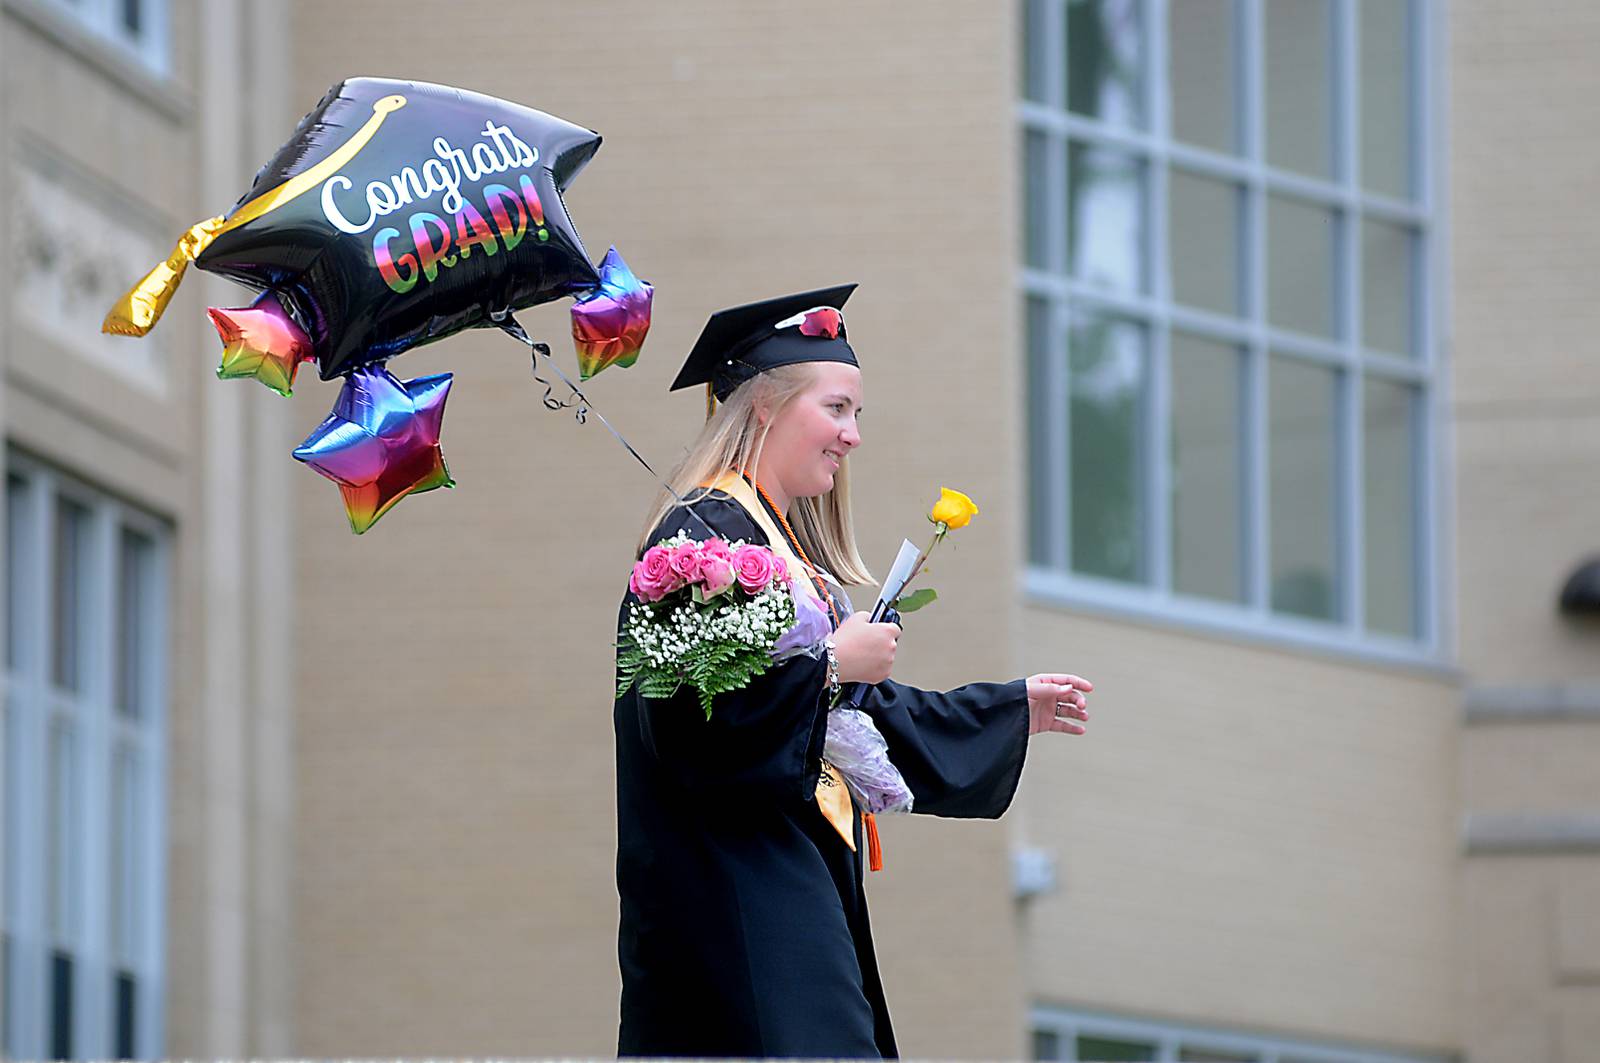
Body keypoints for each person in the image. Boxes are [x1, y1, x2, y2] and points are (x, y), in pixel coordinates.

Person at [613, 284, 1093, 1058]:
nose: (853, 436)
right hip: (731, 889)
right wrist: (833, 661)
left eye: (856, 414)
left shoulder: (772, 545)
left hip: (788, 874)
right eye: (837, 409)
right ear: (764, 408)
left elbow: (841, 723)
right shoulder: (699, 540)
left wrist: (1004, 709)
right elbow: (688, 727)